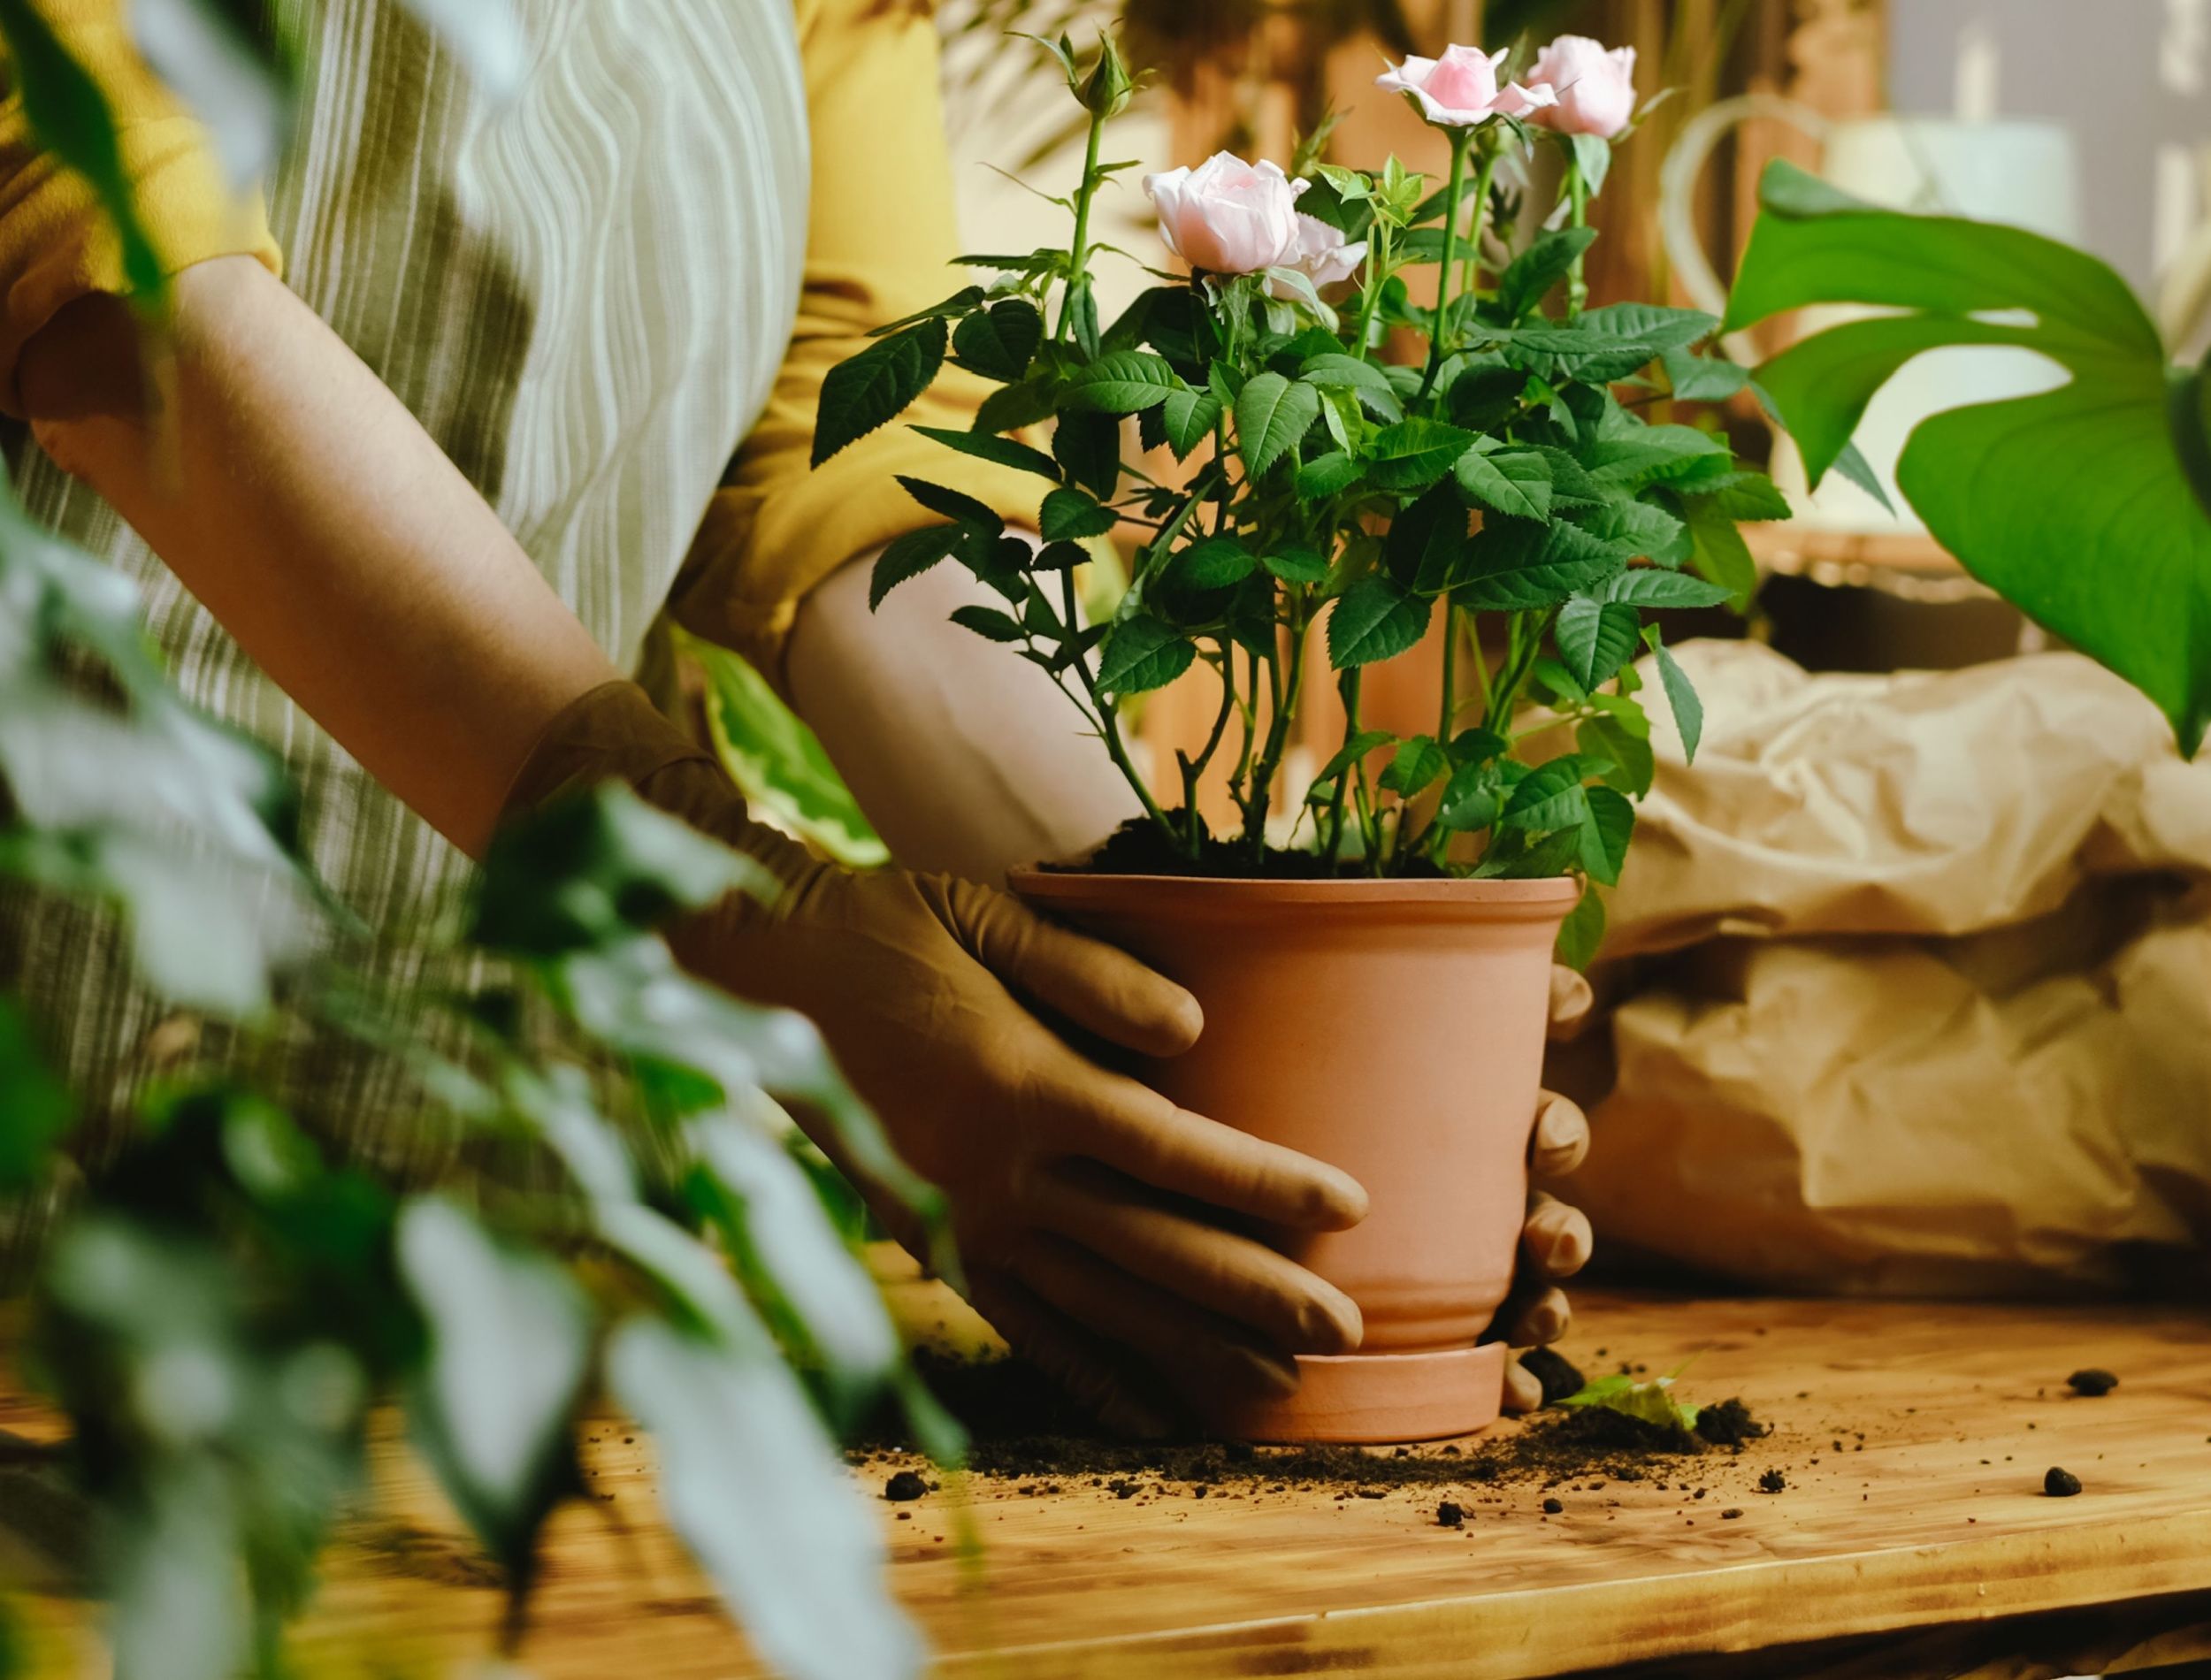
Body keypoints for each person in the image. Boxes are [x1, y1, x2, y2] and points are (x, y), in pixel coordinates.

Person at [0, 0, 1592, 1426]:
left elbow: (846, 451)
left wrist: (1194, 997)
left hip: (504, 1211)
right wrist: (742, 905)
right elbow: (118, 288)